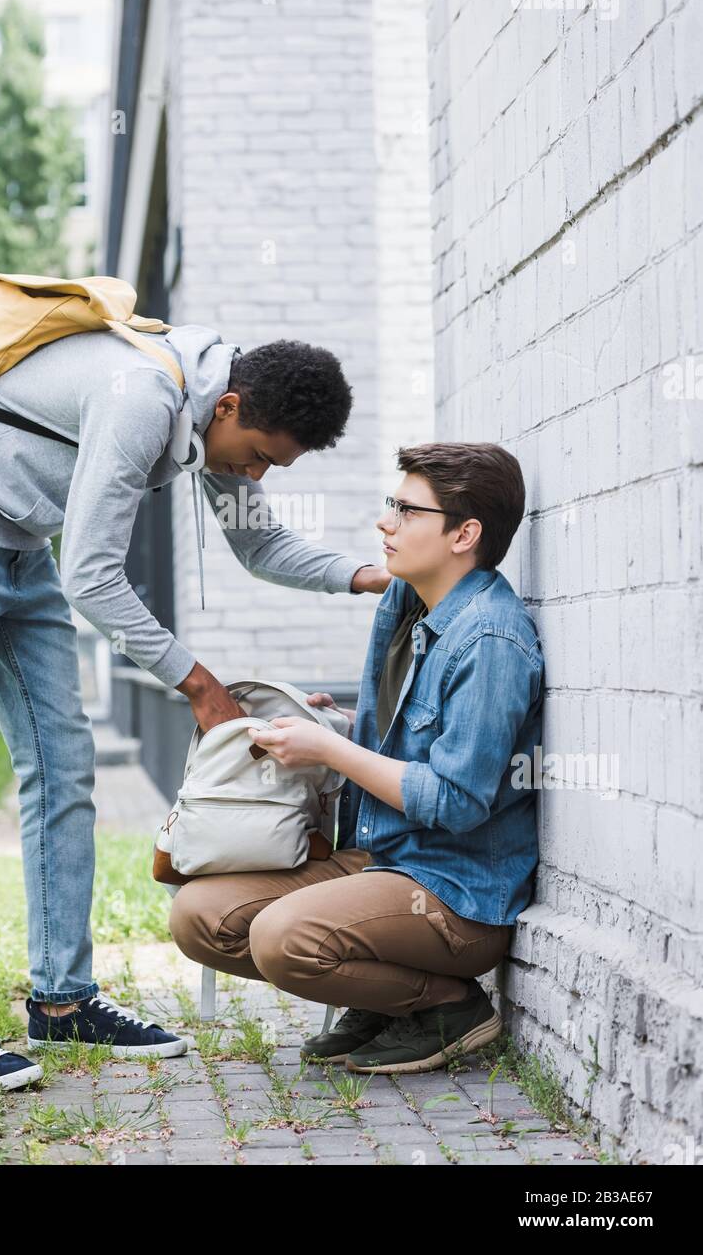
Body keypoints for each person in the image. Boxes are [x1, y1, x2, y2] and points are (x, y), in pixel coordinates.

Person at [0, 322, 389, 1085]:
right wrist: (197, 684)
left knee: (64, 768)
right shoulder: (143, 397)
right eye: (257, 457)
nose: (255, 474)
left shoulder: (214, 412)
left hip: (18, 545)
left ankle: (62, 1001)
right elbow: (91, 576)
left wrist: (371, 576)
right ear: (232, 407)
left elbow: (258, 546)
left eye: (272, 466)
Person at [168, 441, 544, 1075]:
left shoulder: (491, 640)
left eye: (407, 510)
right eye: (389, 503)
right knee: (198, 917)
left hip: (453, 893)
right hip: (377, 859)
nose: (385, 522)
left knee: (283, 938)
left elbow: (456, 800)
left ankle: (449, 1007)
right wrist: (330, 725)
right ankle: (388, 1002)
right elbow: (403, 740)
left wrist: (332, 751)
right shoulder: (405, 602)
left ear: (465, 534)